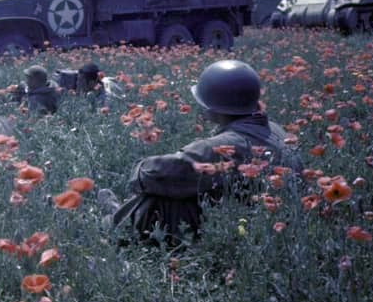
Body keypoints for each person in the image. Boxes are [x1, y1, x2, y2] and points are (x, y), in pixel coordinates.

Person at [99, 59, 301, 243]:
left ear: (213, 107)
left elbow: (154, 174)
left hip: (242, 230)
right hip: (273, 221)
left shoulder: (225, 145)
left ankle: (113, 226)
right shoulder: (276, 130)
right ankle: (121, 213)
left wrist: (140, 168)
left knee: (156, 199)